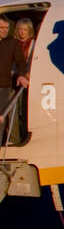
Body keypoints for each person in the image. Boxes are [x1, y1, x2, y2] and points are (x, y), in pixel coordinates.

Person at [0, 18, 27, 146]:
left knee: (1, 120)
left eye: (7, 28)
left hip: (3, 87)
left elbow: (21, 61)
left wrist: (22, 75)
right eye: (2, 28)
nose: (5, 31)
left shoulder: (11, 43)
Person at [12, 19, 33, 146]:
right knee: (15, 109)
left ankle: (23, 135)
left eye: (25, 29)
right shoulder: (13, 44)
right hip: (15, 79)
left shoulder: (33, 44)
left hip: (28, 80)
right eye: (20, 29)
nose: (22, 32)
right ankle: (15, 137)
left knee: (25, 109)